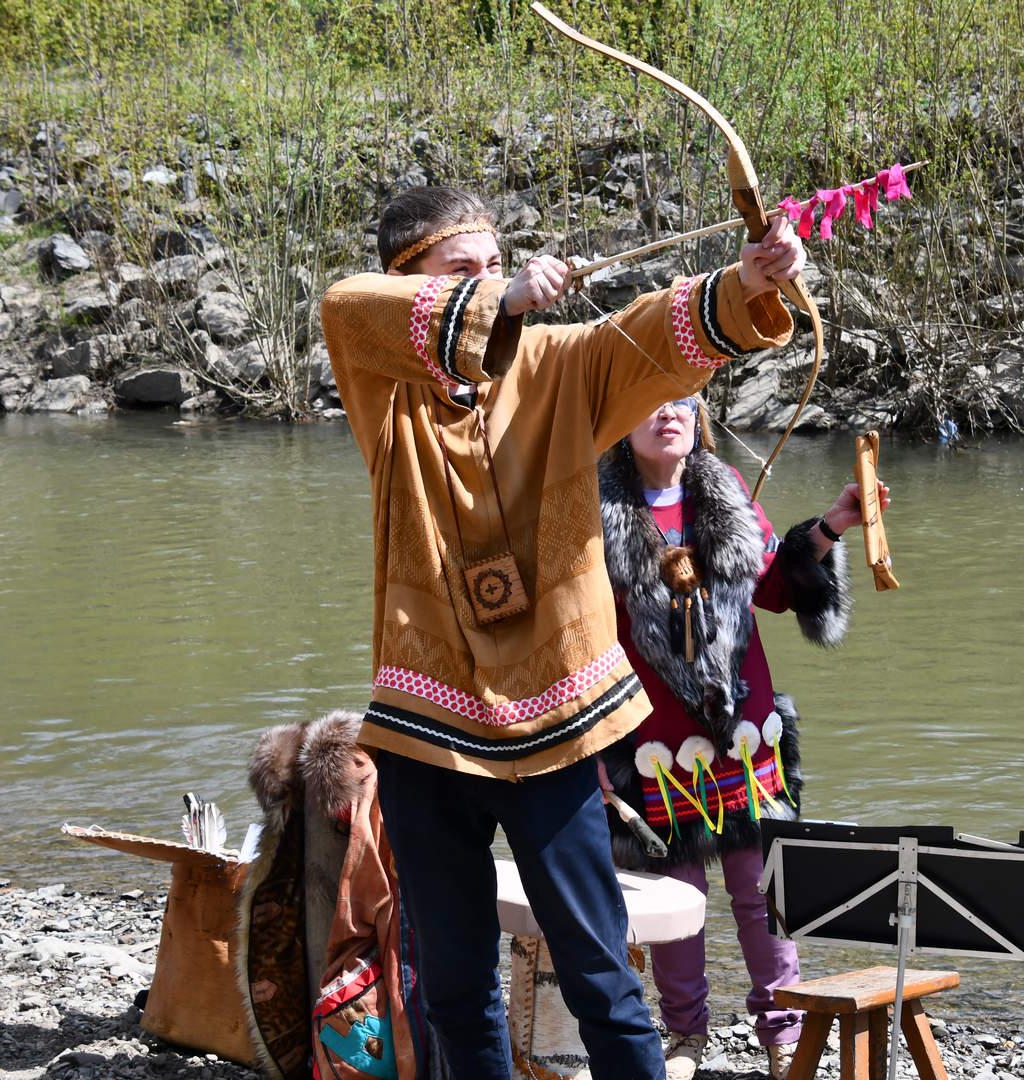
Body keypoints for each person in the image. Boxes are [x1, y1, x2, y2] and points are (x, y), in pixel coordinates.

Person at [317, 184, 807, 1079]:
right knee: (455, 989)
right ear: (412, 285)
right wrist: (497, 301)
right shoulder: (382, 383)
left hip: (556, 723)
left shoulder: (553, 365)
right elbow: (346, 305)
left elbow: (652, 334)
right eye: (459, 270)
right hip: (427, 730)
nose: (490, 282)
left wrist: (748, 279)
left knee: (602, 979)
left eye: (496, 264)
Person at [597, 397, 888, 1080]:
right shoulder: (592, 517)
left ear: (699, 415)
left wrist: (831, 527)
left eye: (680, 401)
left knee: (763, 894)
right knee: (676, 903)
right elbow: (577, 646)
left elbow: (779, 587)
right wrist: (590, 754)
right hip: (649, 747)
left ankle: (784, 1031)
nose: (665, 413)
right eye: (648, 400)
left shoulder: (725, 494)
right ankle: (685, 1037)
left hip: (745, 738)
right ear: (618, 421)